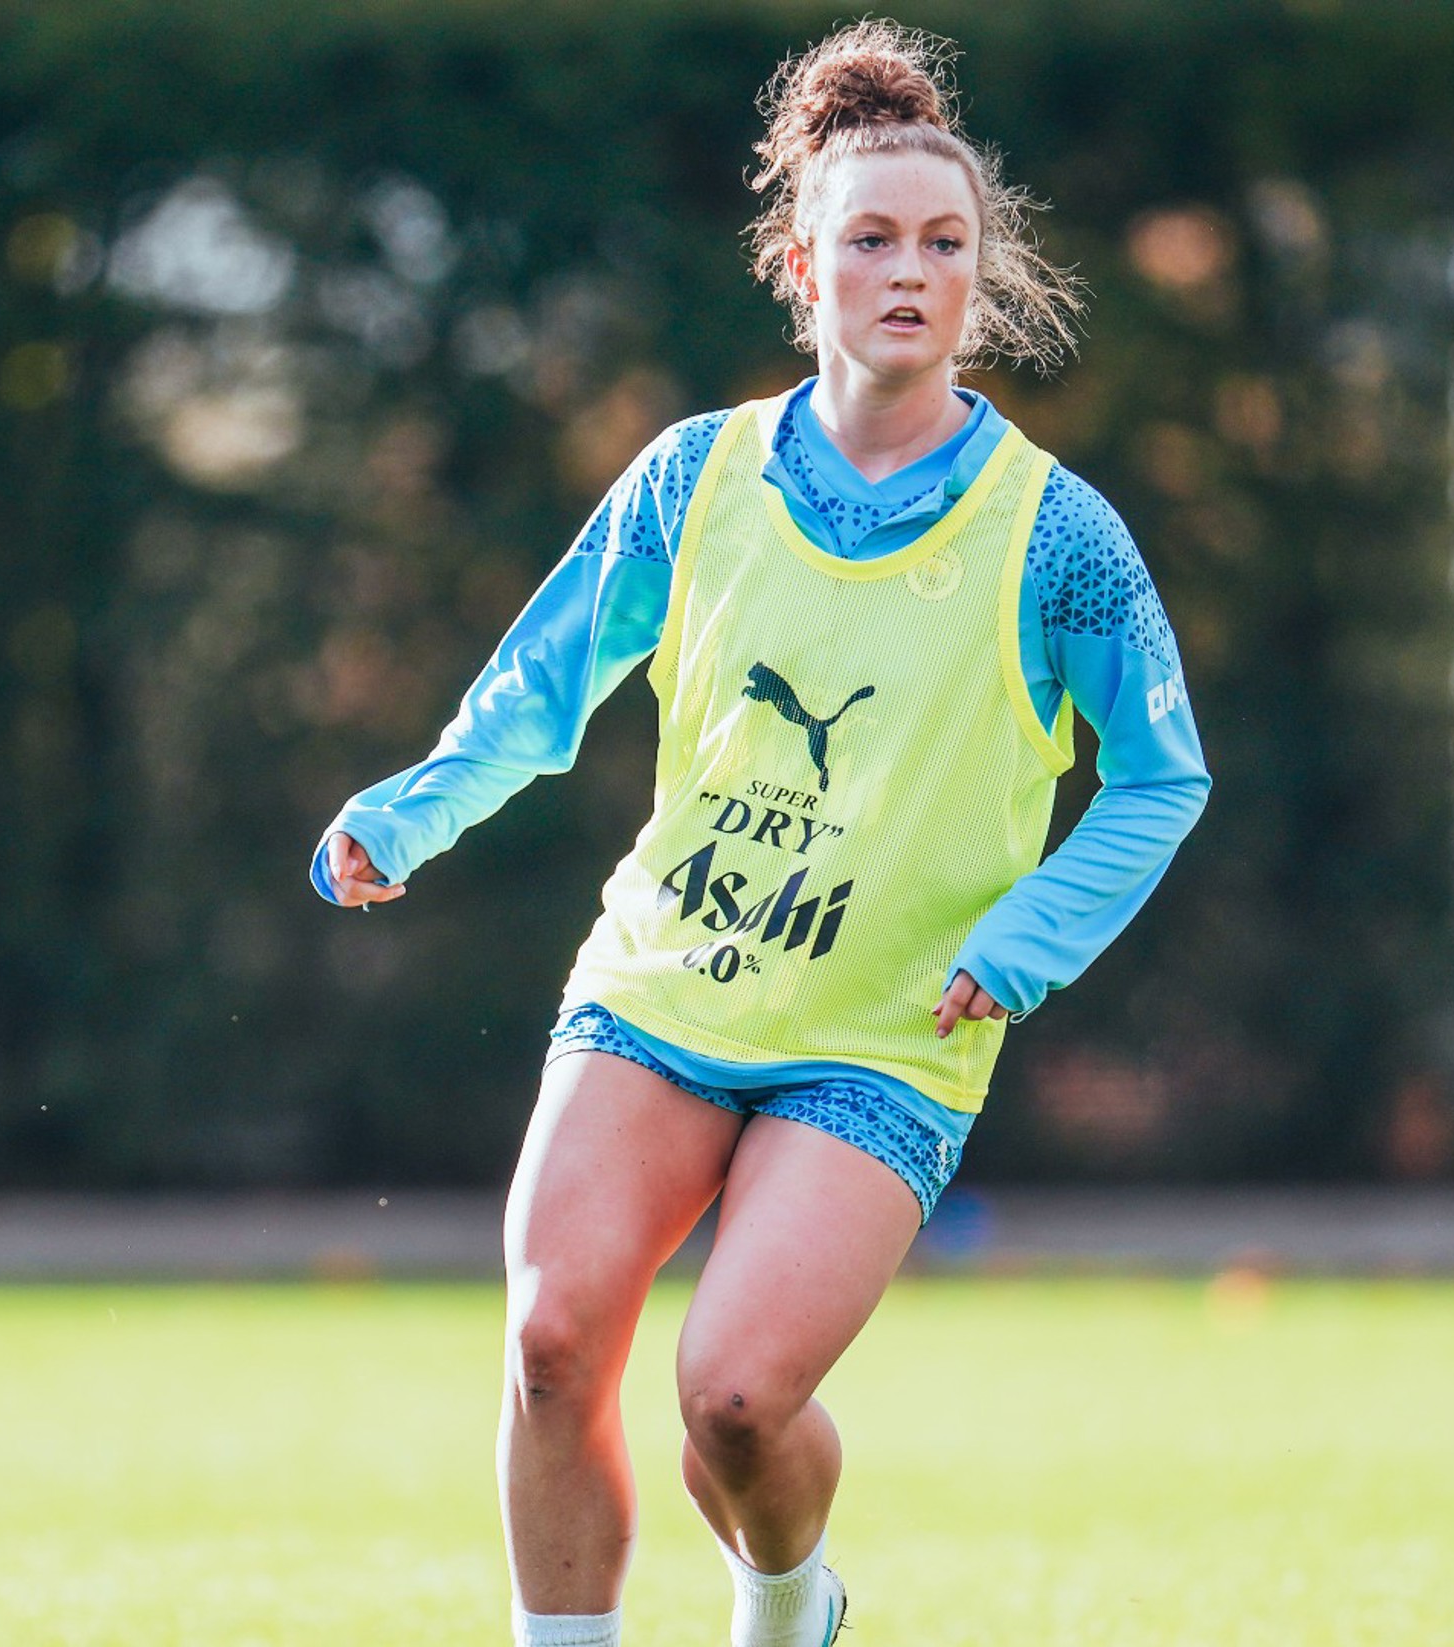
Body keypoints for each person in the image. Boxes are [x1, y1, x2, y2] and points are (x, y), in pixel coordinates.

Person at [312, 22, 1210, 1647]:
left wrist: (1025, 940)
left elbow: (1160, 777)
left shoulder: (1058, 536)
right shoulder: (694, 477)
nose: (909, 271)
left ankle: (791, 1600)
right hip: (661, 992)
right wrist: (413, 810)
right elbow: (539, 689)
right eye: (870, 240)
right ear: (802, 267)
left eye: (945, 243)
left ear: (981, 276)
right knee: (552, 1344)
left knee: (730, 1400)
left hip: (883, 1039)